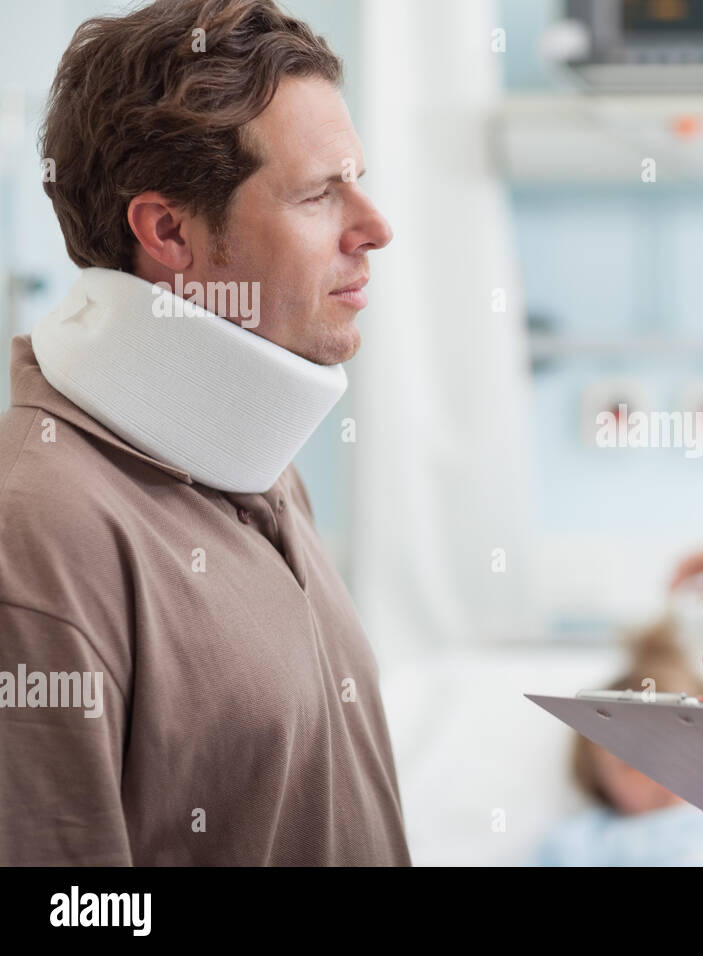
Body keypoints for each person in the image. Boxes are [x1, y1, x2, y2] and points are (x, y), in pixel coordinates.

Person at [0, 0, 407, 864]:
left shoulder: (252, 465)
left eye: (358, 180)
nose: (374, 228)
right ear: (168, 231)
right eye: (317, 194)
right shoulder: (39, 532)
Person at [532, 615, 703, 866]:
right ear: (597, 778)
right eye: (631, 761)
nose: (661, 771)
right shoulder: (577, 844)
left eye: (681, 750)